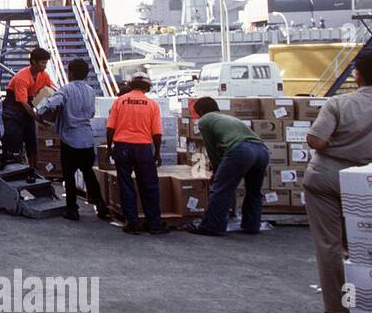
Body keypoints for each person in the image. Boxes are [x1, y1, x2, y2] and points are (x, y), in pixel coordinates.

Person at [303, 47, 372, 313]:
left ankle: (340, 308)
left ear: (356, 75)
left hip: (327, 176)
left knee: (329, 245)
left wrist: (340, 145)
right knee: (365, 244)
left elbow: (315, 141)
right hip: (369, 182)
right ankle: (369, 303)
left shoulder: (339, 104)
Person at [188, 96, 270, 237]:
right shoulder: (228, 118)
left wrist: (216, 170)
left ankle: (212, 227)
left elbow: (211, 149)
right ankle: (252, 225)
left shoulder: (205, 120)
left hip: (241, 150)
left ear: (200, 111)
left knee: (221, 189)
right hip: (262, 151)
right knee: (254, 191)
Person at [41, 58, 109, 222]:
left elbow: (48, 105)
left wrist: (40, 109)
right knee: (89, 174)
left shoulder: (66, 90)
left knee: (69, 176)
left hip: (70, 138)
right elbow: (92, 113)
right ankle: (100, 204)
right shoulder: (90, 90)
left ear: (70, 73)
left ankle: (72, 209)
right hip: (86, 137)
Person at [107, 71, 168, 235]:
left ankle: (132, 223)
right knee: (149, 185)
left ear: (131, 85)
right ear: (148, 87)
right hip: (143, 148)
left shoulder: (120, 101)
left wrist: (109, 148)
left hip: (122, 147)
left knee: (126, 184)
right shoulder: (152, 105)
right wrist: (157, 153)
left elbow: (110, 127)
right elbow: (157, 133)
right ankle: (154, 224)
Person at [1, 47, 54, 175]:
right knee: (13, 134)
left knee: (31, 137)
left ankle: (32, 168)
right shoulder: (22, 77)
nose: (45, 66)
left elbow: (52, 89)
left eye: (46, 63)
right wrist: (38, 118)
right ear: (34, 62)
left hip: (27, 102)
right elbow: (23, 103)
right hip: (13, 104)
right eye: (43, 63)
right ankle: (5, 159)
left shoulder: (43, 75)